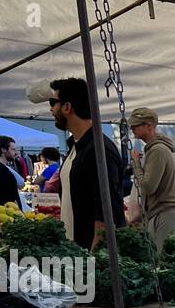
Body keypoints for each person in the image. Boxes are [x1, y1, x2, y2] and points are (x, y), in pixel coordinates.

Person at [48, 78, 124, 248]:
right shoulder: (77, 146)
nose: (51, 109)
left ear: (67, 107)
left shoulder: (99, 150)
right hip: (74, 248)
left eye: (53, 102)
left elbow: (106, 212)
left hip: (88, 254)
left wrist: (95, 258)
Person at [129, 107, 175, 253]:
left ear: (148, 126)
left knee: (162, 265)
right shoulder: (159, 148)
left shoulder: (157, 150)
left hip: (165, 216)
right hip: (166, 214)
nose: (132, 128)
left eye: (136, 125)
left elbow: (148, 187)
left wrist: (136, 164)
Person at [0, 136, 23, 207]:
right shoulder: (1, 170)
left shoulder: (4, 169)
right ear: (3, 149)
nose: (15, 153)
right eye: (13, 149)